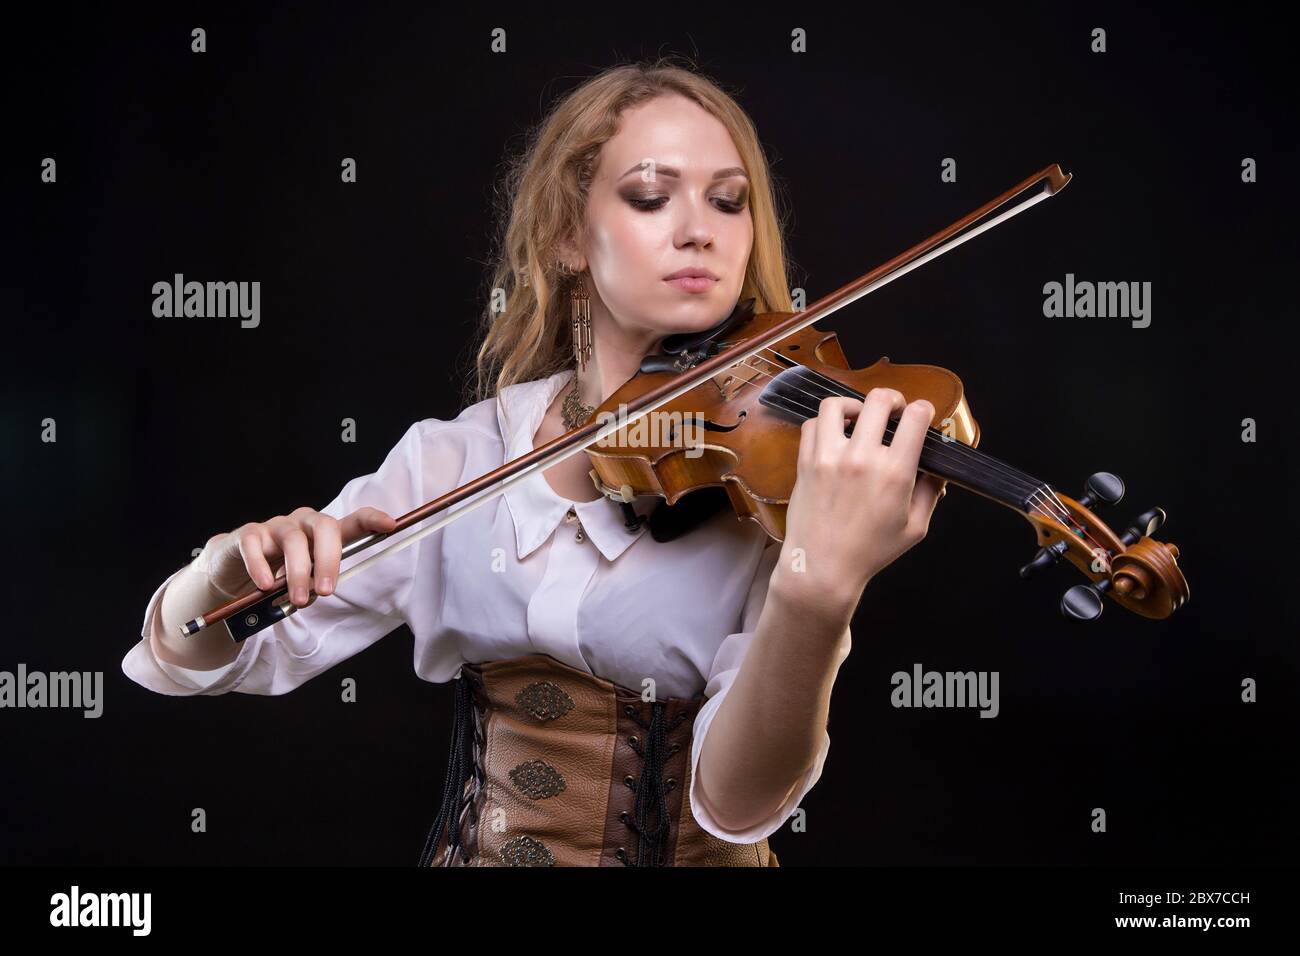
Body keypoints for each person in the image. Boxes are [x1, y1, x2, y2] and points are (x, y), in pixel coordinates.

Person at [123, 59, 946, 867]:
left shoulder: (772, 482)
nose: (700, 228)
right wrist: (227, 567)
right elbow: (192, 656)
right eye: (651, 197)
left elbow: (736, 807)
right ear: (564, 237)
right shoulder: (458, 458)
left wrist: (816, 591)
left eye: (729, 203)